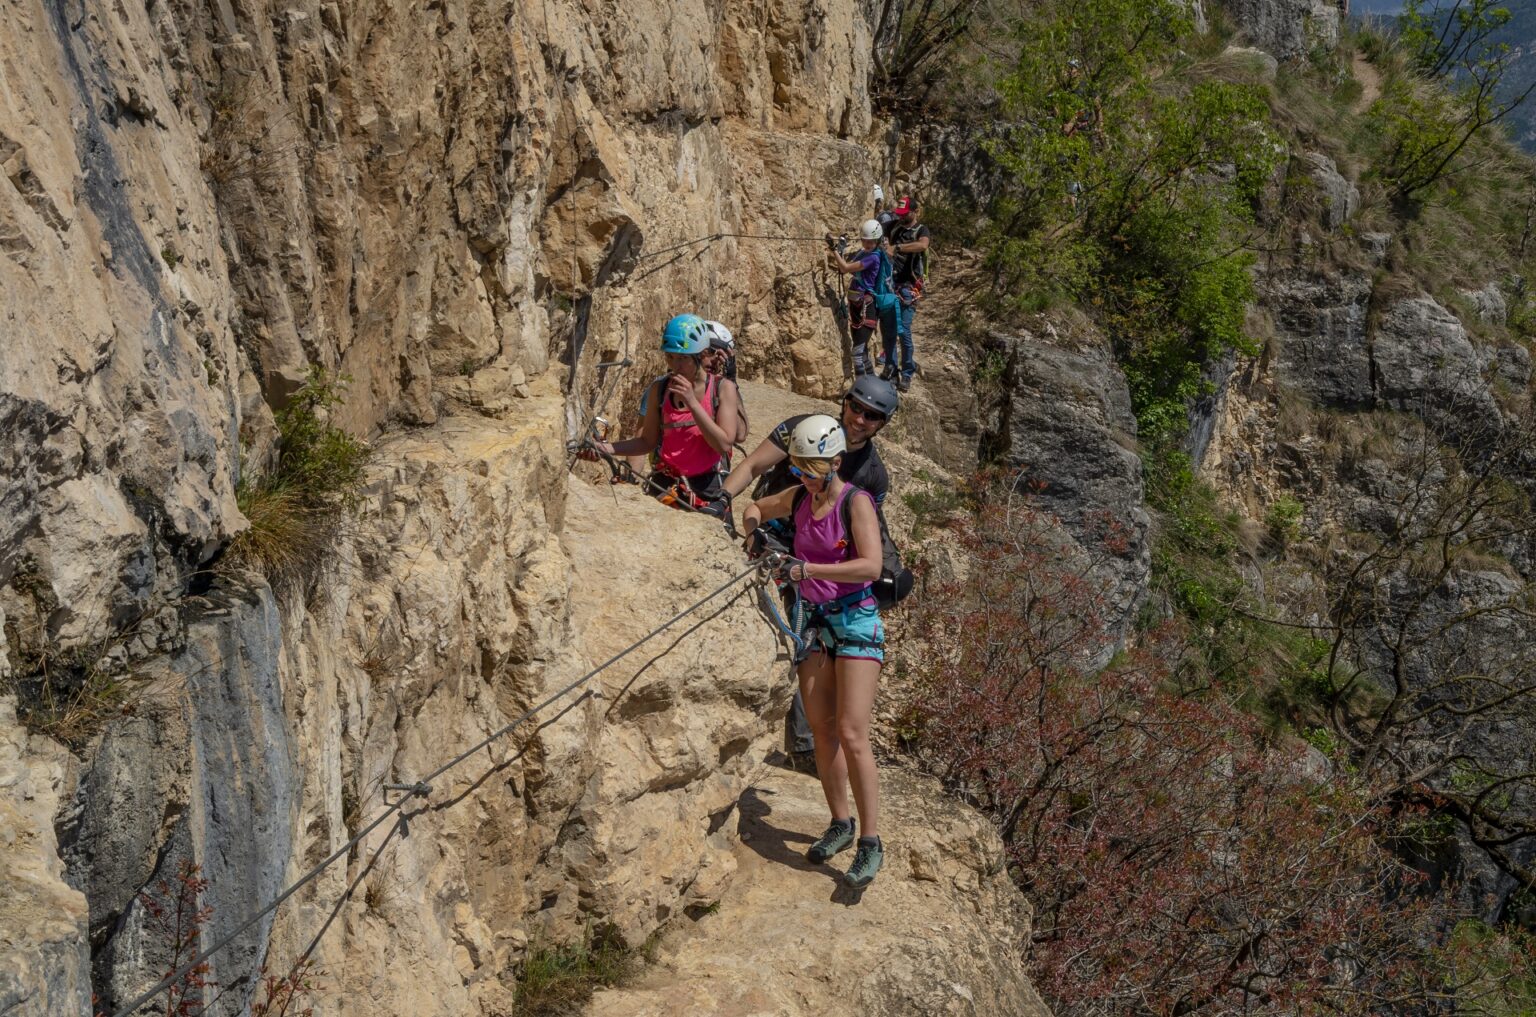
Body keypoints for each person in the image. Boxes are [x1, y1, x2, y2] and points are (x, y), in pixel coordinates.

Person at [724, 376, 910, 768]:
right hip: (772, 530)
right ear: (844, 402)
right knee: (795, 635)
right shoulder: (802, 428)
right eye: (855, 407)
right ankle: (807, 742)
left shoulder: (872, 475)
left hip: (812, 558)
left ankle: (807, 744)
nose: (859, 419)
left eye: (872, 416)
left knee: (802, 636)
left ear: (883, 423)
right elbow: (756, 463)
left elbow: (861, 531)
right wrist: (723, 499)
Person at [742, 416, 887, 888]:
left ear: (835, 463)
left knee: (851, 732)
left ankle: (870, 841)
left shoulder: (855, 501)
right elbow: (755, 507)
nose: (804, 475)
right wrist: (753, 534)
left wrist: (810, 569)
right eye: (799, 467)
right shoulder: (802, 497)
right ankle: (839, 823)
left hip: (856, 621)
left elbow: (870, 565)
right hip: (818, 623)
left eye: (813, 468)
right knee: (822, 731)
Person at [585, 313, 741, 518]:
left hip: (706, 489)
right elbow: (646, 441)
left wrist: (693, 403)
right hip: (665, 485)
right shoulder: (660, 389)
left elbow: (724, 444)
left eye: (683, 358)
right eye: (670, 356)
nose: (675, 365)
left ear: (702, 355)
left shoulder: (723, 389)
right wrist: (604, 448)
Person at [879, 195, 929, 393]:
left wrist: (896, 247)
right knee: (888, 329)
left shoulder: (921, 230)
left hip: (909, 287)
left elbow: (923, 245)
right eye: (898, 214)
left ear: (914, 212)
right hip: (891, 285)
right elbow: (876, 230)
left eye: (904, 214)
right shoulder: (894, 226)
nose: (900, 217)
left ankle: (907, 372)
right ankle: (891, 368)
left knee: (904, 331)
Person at [825, 220, 886, 377]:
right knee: (863, 352)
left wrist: (834, 250)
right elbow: (845, 263)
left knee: (857, 353)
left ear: (878, 240)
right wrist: (841, 248)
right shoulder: (864, 253)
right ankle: (871, 382)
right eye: (864, 240)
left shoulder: (873, 257)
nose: (867, 243)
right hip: (858, 307)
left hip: (867, 309)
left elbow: (844, 268)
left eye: (871, 241)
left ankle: (861, 386)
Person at [702, 320, 748, 446]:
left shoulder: (721, 388)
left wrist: (731, 381)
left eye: (721, 355)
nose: (714, 360)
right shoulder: (666, 387)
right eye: (710, 352)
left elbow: (740, 434)